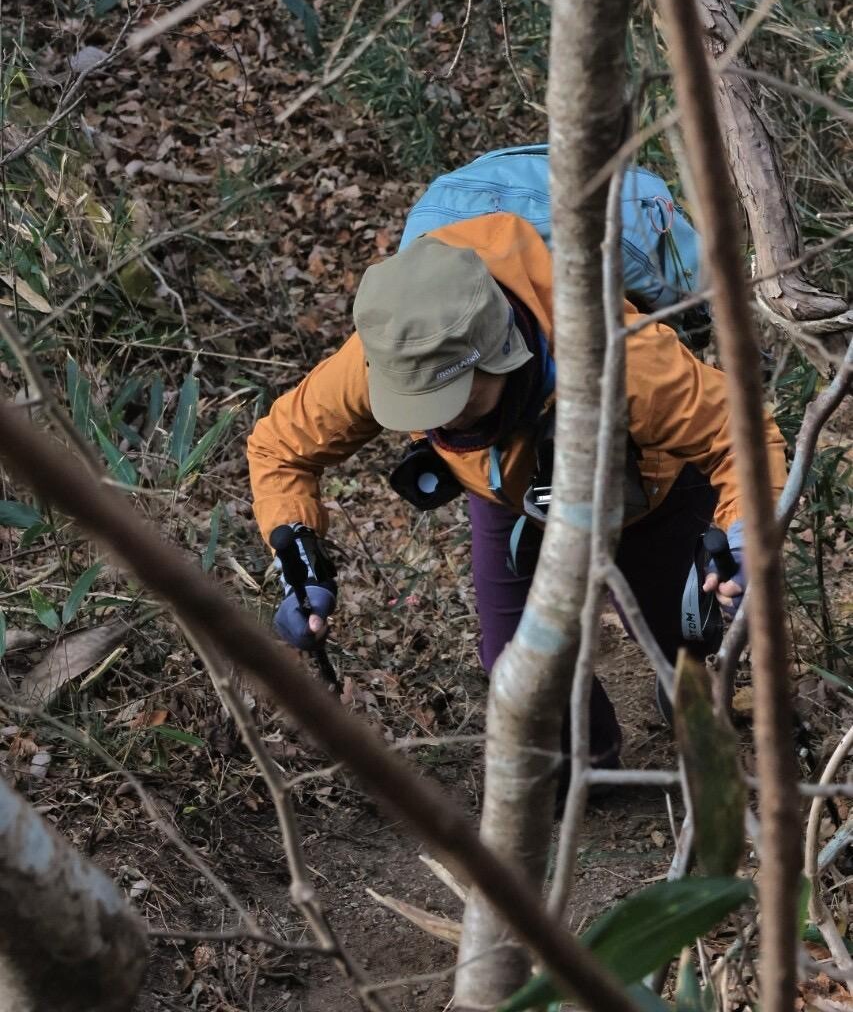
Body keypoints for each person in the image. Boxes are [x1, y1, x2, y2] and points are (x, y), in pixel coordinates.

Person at [247, 212, 787, 778]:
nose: (440, 422)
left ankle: (687, 681)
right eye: (419, 407)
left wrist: (746, 535)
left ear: (501, 350)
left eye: (454, 399)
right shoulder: (391, 353)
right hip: (511, 496)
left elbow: (742, 434)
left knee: (679, 633)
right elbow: (280, 448)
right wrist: (300, 561)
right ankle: (583, 765)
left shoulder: (625, 359)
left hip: (647, 490)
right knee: (518, 664)